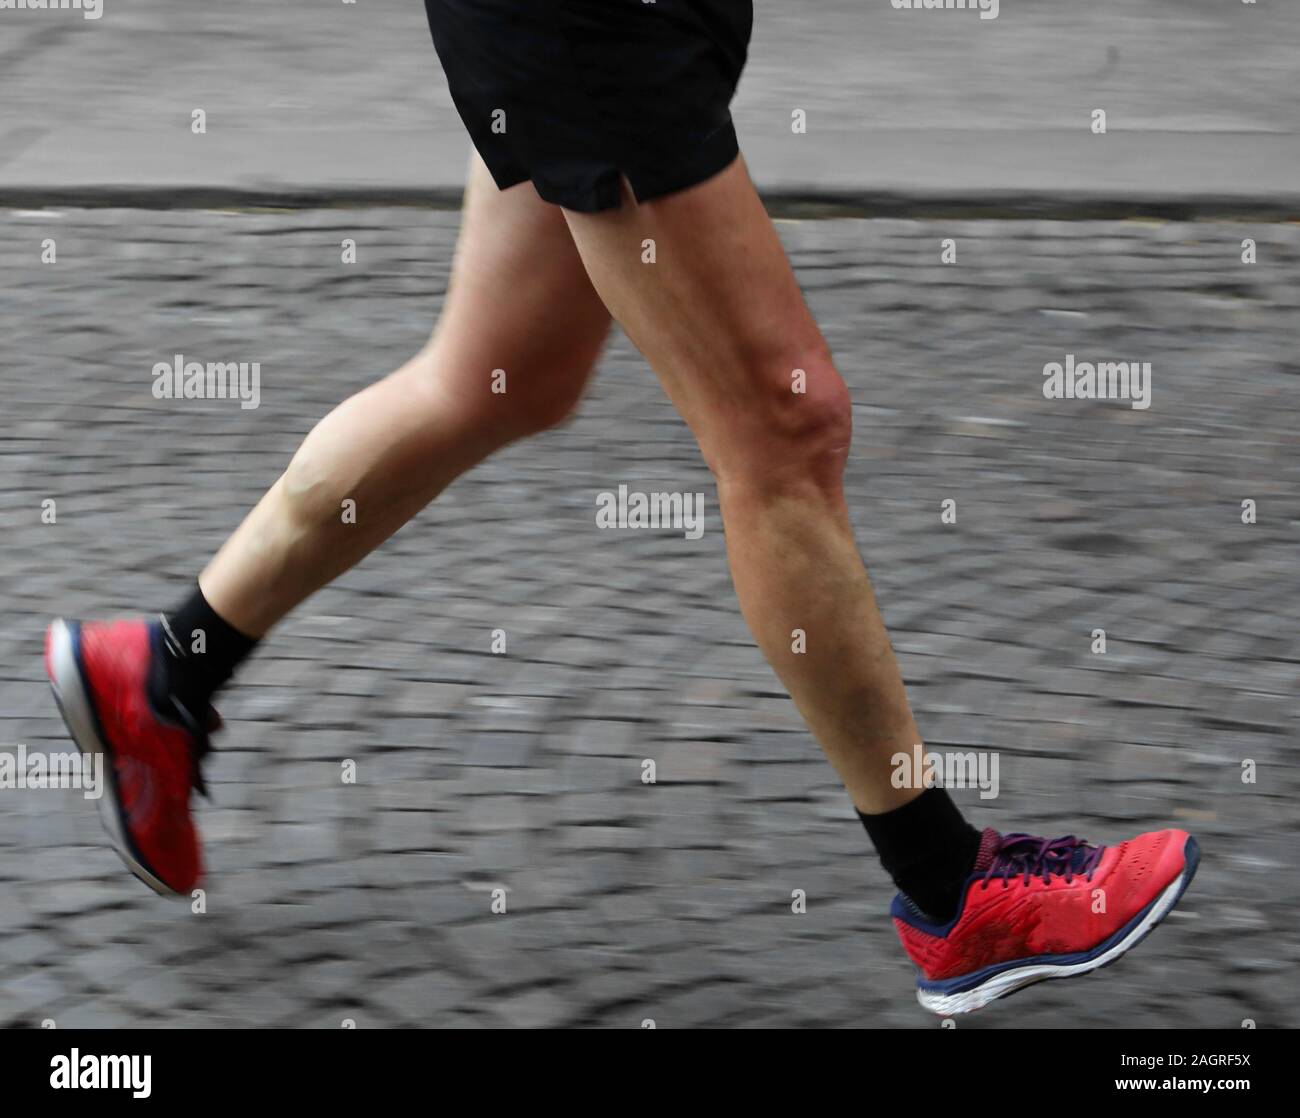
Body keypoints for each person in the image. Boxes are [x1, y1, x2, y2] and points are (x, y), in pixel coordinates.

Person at [44, 0, 1198, 1015]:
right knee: (783, 426)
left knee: (495, 375)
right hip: (594, 25)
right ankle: (953, 887)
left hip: (618, 27)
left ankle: (167, 670)